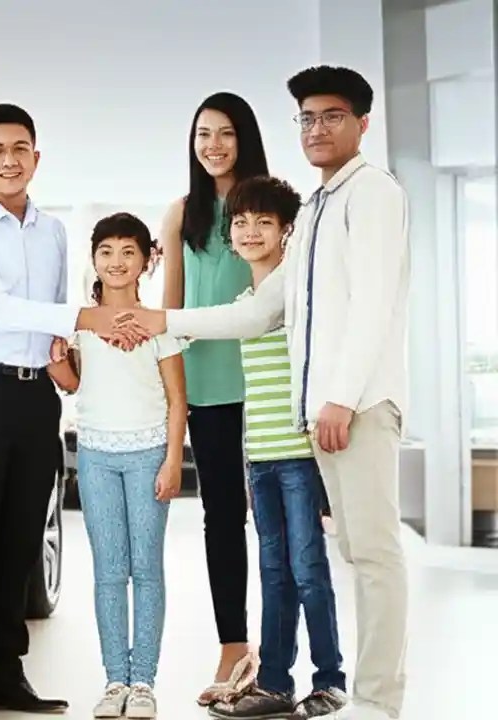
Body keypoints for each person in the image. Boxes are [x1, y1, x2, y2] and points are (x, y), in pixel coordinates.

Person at [115, 65, 410, 720]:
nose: (316, 128)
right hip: (314, 408)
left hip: (349, 404)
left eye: (331, 116)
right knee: (312, 554)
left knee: (364, 554)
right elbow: (253, 313)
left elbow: (371, 309)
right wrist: (160, 322)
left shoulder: (371, 196)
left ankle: (372, 700)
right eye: (307, 117)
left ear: (363, 123)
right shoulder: (320, 208)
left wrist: (340, 396)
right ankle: (281, 682)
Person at [0, 103, 144, 720]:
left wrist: (70, 350)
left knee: (22, 541)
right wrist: (83, 317)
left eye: (20, 147)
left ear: (36, 157)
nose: (9, 159)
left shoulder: (52, 232)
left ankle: (3, 673)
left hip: (34, 399)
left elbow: (50, 320)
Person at [195, 175, 348, 720]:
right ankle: (276, 685)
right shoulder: (245, 299)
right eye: (240, 222)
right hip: (259, 456)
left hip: (302, 458)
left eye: (265, 222)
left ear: (287, 231)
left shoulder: (293, 295)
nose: (250, 231)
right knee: (275, 572)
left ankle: (330, 681)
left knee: (309, 570)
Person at [48, 213, 185, 719]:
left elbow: (177, 401)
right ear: (94, 260)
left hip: (149, 453)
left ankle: (144, 681)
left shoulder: (159, 325)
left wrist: (173, 461)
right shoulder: (82, 324)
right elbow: (73, 384)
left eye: (128, 251)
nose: (117, 261)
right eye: (106, 251)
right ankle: (114, 681)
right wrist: (55, 359)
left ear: (147, 259)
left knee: (146, 570)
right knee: (109, 573)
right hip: (97, 456)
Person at [157, 92, 269, 704]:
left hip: (268, 380)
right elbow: (173, 308)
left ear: (244, 138)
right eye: (204, 133)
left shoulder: (272, 205)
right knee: (223, 516)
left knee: (279, 518)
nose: (213, 145)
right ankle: (234, 647)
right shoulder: (181, 213)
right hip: (209, 385)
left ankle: (276, 656)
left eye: (225, 133)